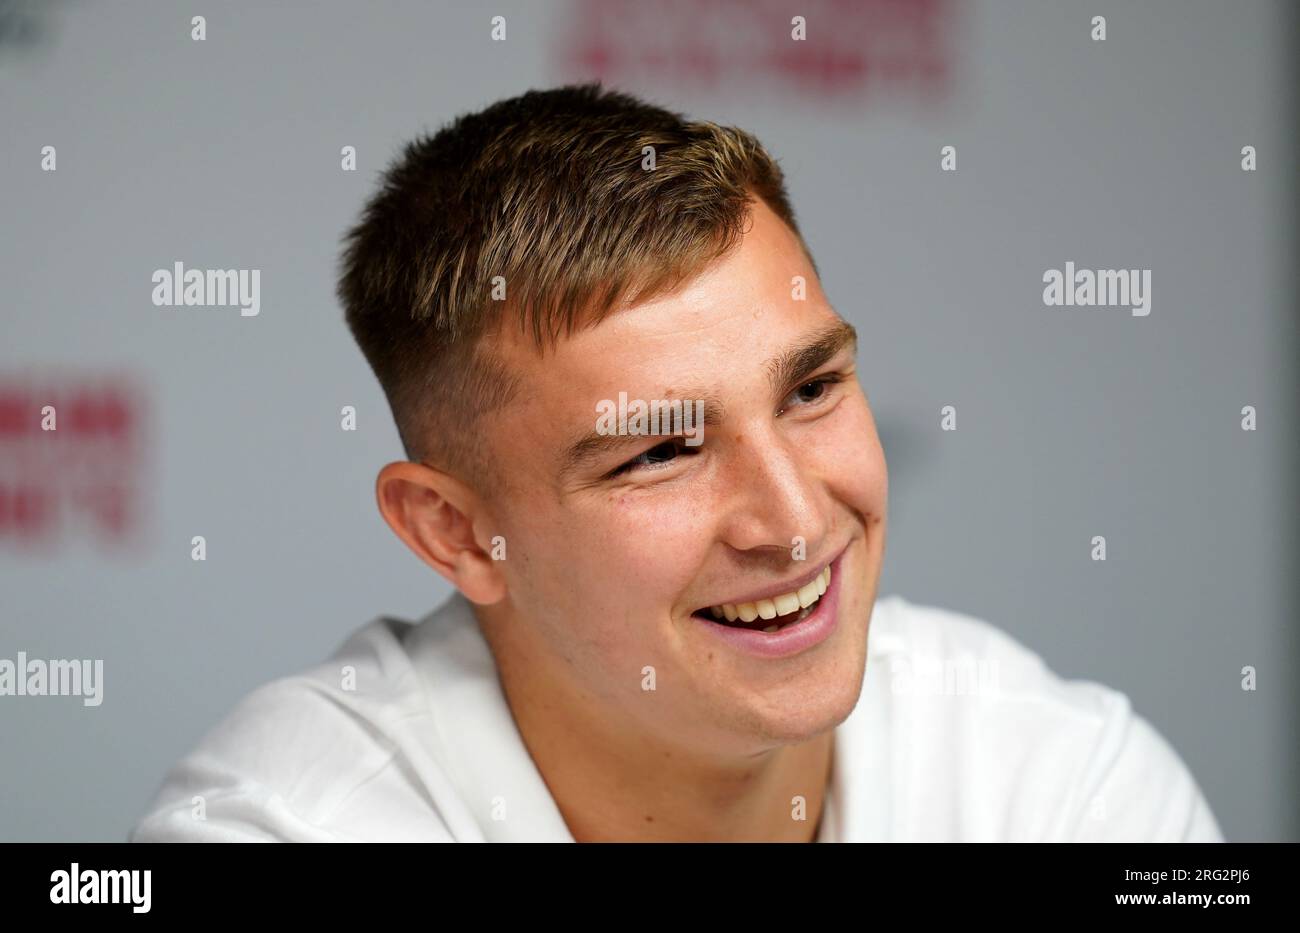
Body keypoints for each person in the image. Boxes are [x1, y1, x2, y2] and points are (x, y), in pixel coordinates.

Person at [131, 84, 1222, 842]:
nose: (794, 521)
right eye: (660, 451)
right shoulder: (288, 828)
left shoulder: (1056, 785)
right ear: (456, 533)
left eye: (810, 390)